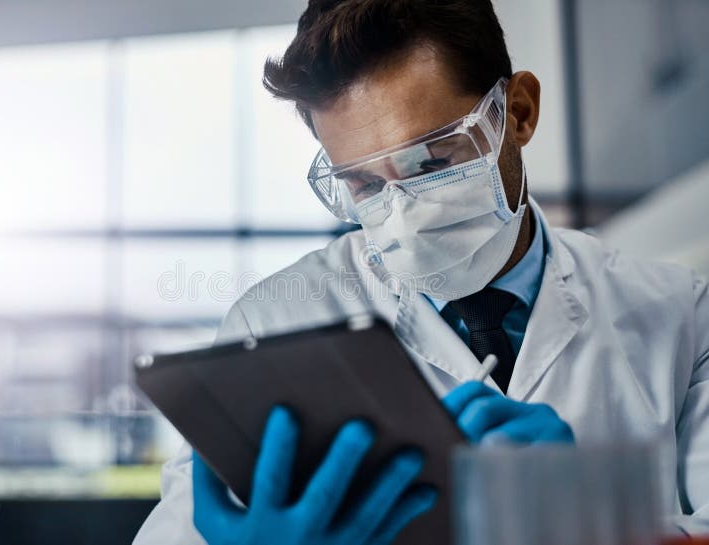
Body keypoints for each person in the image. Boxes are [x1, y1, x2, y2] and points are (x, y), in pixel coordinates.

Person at [134, 1, 709, 543]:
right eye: (364, 183)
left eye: (434, 161)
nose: (404, 215)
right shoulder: (274, 321)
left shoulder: (683, 315)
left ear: (519, 114)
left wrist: (588, 517)